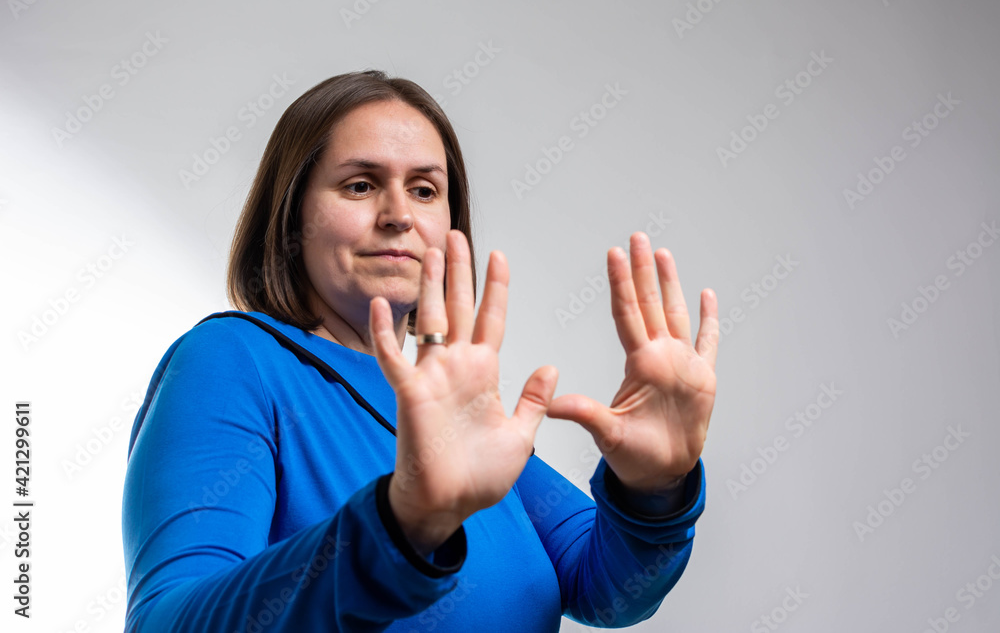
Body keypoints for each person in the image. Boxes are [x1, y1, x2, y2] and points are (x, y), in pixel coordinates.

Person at [121, 69, 720, 632]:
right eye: (360, 185)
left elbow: (609, 589)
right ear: (290, 216)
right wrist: (399, 523)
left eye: (425, 189)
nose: (399, 215)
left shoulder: (445, 414)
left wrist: (654, 489)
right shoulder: (230, 361)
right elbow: (167, 621)